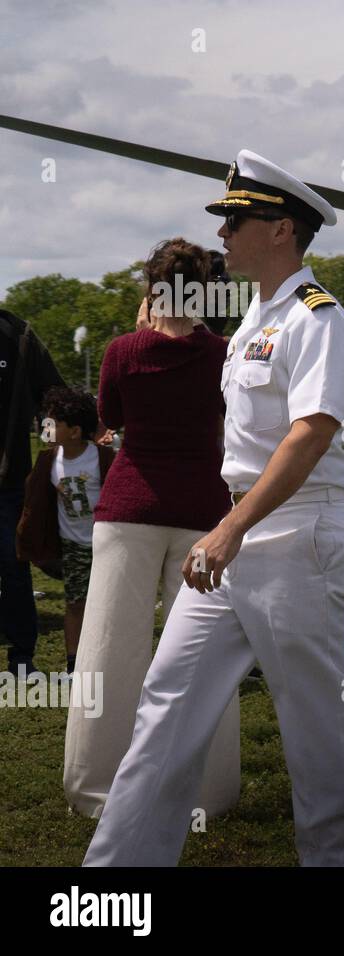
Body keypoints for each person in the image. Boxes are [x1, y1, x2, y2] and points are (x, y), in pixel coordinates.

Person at [84, 149, 344, 866]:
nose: (223, 234)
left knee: (315, 727)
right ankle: (114, 880)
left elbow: (313, 432)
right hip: (236, 535)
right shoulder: (254, 320)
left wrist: (233, 528)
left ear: (282, 229)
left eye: (236, 219)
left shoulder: (317, 318)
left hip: (295, 535)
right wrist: (231, 527)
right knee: (166, 705)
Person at [60, 238, 241, 820]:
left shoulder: (121, 351)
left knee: (108, 652)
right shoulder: (224, 355)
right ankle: (209, 794)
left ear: (150, 288)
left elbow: (111, 418)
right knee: (205, 657)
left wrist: (141, 330)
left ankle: (94, 792)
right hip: (202, 513)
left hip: (129, 510)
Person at [16, 387, 115, 678]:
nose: (46, 427)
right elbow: (36, 500)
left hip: (105, 545)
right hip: (72, 547)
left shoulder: (102, 458)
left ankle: (108, 662)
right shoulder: (49, 460)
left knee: (108, 605)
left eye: (53, 423)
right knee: (75, 603)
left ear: (74, 431)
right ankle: (74, 666)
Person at [0, 308, 65, 679]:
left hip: (9, 483)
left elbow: (53, 397)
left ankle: (21, 659)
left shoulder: (19, 335)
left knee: (14, 568)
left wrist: (52, 451)